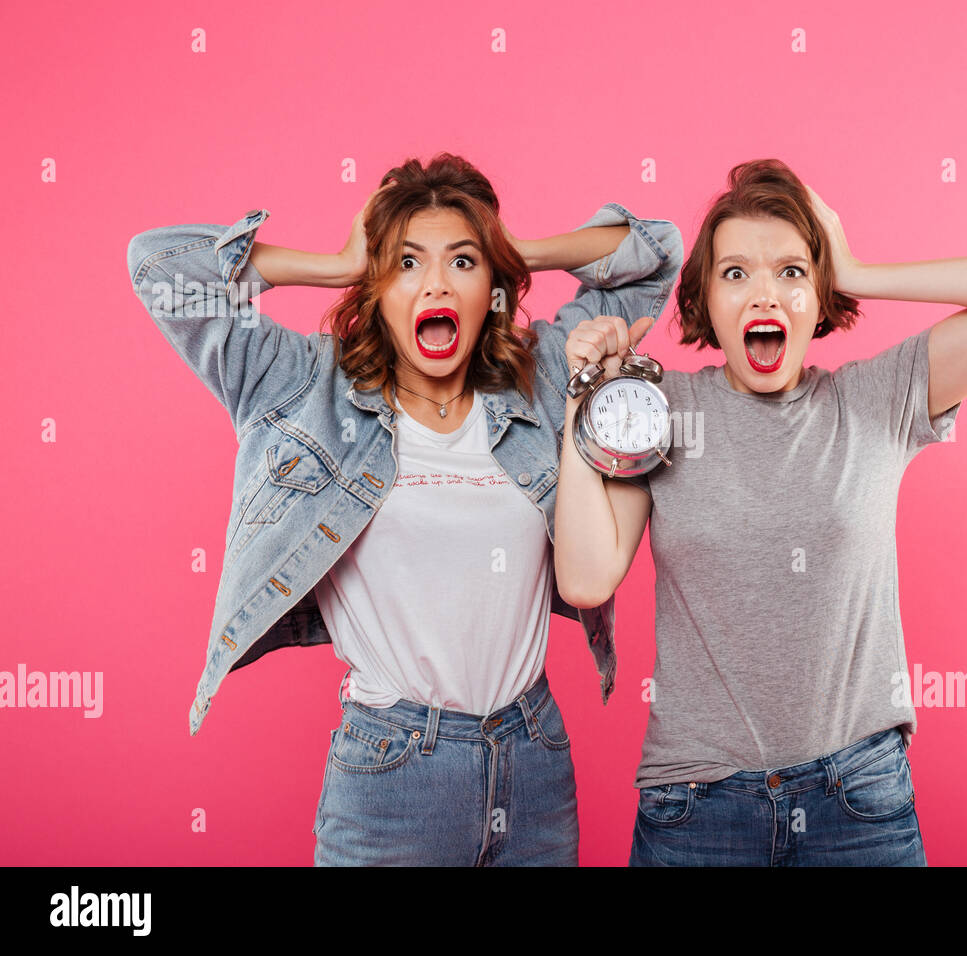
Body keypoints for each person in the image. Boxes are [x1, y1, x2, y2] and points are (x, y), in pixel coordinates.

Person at [126, 153, 683, 865]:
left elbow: (656, 250)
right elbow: (160, 270)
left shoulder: (539, 381)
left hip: (533, 759)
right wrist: (334, 262)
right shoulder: (301, 386)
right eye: (407, 263)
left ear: (493, 289)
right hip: (393, 775)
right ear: (375, 288)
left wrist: (513, 248)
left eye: (463, 262)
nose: (436, 284)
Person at [554, 157, 967, 866]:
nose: (763, 294)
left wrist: (856, 269)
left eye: (792, 273)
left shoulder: (875, 401)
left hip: (857, 803)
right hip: (697, 809)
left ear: (820, 298)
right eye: (735, 274)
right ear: (704, 300)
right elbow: (585, 579)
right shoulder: (661, 410)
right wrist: (585, 397)